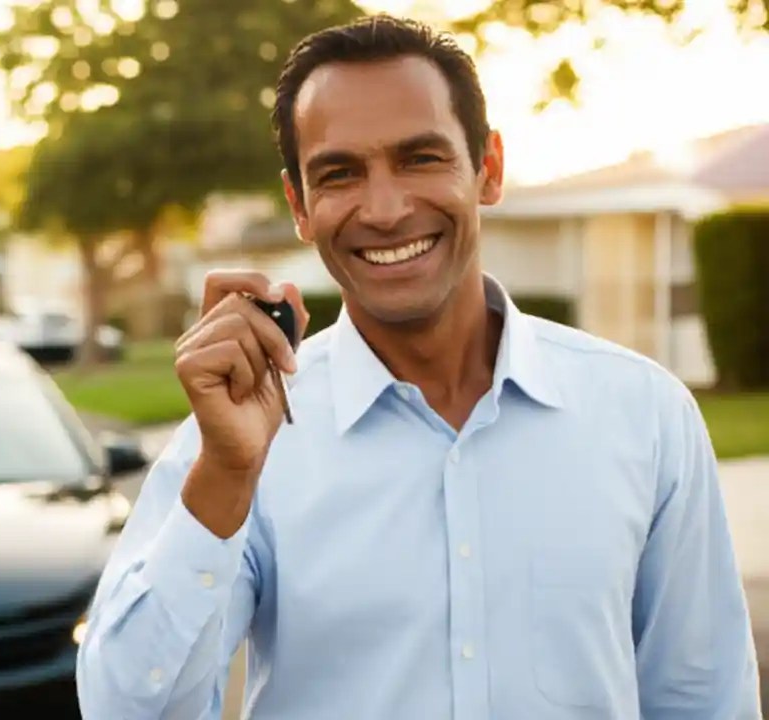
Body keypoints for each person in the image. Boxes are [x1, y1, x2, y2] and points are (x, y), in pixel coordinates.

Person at [75, 14, 761, 720]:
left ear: (487, 169)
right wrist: (226, 476)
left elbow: (705, 700)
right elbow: (127, 710)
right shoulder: (236, 440)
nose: (385, 208)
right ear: (300, 207)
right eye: (339, 173)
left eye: (420, 158)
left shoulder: (643, 414)